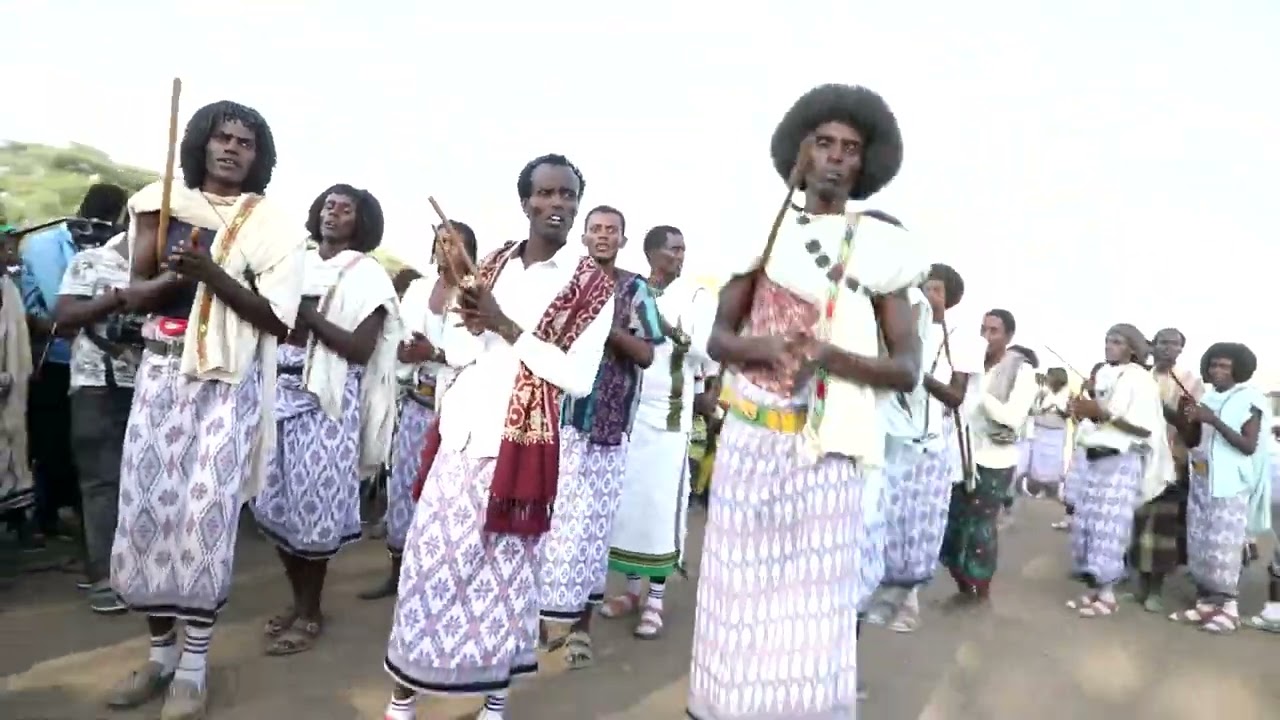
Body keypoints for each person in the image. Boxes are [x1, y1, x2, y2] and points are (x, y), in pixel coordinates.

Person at [688, 83, 927, 720]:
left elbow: (907, 368)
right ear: (799, 152)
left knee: (811, 609)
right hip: (750, 442)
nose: (836, 158)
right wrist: (759, 347)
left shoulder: (880, 249)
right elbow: (716, 339)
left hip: (828, 451)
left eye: (850, 148)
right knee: (740, 596)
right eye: (824, 143)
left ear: (865, 163)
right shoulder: (760, 236)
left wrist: (833, 357)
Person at [382, 154, 615, 720]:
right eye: (546, 194)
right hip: (460, 436)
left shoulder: (592, 287)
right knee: (426, 568)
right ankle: (402, 702)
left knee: (506, 582)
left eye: (568, 195)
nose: (557, 204)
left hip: (518, 454)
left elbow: (578, 380)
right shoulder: (492, 263)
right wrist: (473, 326)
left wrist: (506, 323)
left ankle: (493, 704)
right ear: (526, 202)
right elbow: (462, 352)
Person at [107, 100, 304, 719]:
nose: (231, 148)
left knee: (202, 520)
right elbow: (137, 296)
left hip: (226, 387)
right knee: (146, 513)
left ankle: (194, 665)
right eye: (221, 137)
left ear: (258, 155)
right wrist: (162, 261)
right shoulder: (157, 201)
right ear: (200, 142)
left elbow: (278, 319)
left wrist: (213, 273)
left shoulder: (273, 225)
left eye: (245, 142)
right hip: (161, 375)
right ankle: (160, 655)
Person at [253, 184, 400, 654]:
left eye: (347, 209)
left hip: (326, 406)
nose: (334, 213)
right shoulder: (294, 261)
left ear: (362, 222)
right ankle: (299, 602)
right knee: (273, 503)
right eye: (329, 205)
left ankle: (311, 612)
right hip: (275, 394)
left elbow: (360, 348)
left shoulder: (367, 275)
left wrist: (308, 317)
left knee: (311, 514)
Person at [539, 205, 662, 667]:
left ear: (623, 241)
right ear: (583, 237)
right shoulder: (565, 280)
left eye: (612, 231)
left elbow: (646, 354)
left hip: (608, 431)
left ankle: (580, 632)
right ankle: (540, 619)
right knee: (549, 525)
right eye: (596, 229)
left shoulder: (636, 290)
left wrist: (603, 327)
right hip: (559, 421)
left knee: (592, 532)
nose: (604, 236)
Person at [601, 224, 718, 641]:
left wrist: (669, 330)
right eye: (672, 250)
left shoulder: (697, 298)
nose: (680, 257)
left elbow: (705, 354)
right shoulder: (633, 291)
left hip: (670, 418)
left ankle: (655, 600)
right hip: (630, 413)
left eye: (683, 249)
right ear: (651, 254)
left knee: (660, 509)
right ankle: (631, 592)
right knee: (629, 508)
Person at [360, 222, 478, 601]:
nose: (446, 248)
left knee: (448, 495)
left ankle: (442, 580)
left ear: (468, 249)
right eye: (440, 241)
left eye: (454, 242)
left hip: (456, 409)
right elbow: (397, 334)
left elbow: (478, 353)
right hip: (415, 402)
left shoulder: (477, 296)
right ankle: (397, 574)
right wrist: (403, 352)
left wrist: (437, 354)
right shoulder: (418, 288)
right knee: (403, 487)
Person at [867, 262, 978, 632]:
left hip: (926, 445)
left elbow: (955, 397)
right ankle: (876, 597)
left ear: (951, 300)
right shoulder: (897, 330)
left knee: (914, 528)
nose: (926, 296)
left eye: (936, 290)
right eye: (923, 287)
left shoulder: (961, 340)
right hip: (885, 438)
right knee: (880, 520)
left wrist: (916, 372)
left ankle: (907, 603)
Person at [21, 183, 128, 543]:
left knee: (81, 443)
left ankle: (78, 518)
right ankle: (46, 516)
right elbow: (60, 305)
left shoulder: (111, 247)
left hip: (94, 363)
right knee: (51, 439)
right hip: (52, 358)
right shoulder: (44, 246)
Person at [53, 227, 139, 614]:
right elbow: (66, 315)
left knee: (136, 481)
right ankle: (103, 577)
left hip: (149, 385)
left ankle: (127, 569)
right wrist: (119, 298)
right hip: (96, 384)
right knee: (102, 481)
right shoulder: (92, 261)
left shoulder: (169, 266)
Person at [1064, 323, 1167, 618]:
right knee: (1090, 524)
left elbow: (1141, 426)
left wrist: (1100, 412)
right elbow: (1099, 421)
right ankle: (1096, 591)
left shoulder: (1141, 380)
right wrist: (1084, 412)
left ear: (1133, 349)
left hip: (1121, 462)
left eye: (1118, 342)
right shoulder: (1107, 374)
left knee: (1110, 527)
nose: (1109, 346)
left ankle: (1108, 596)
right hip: (1095, 459)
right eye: (1108, 340)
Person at [938, 310, 1038, 604]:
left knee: (981, 527)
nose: (986, 336)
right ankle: (961, 584)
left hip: (994, 459)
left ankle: (980, 590)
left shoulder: (1021, 371)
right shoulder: (968, 364)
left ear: (1008, 337)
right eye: (983, 329)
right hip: (960, 456)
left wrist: (979, 388)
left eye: (994, 331)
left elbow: (1012, 417)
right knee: (954, 524)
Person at [1171, 341, 1271, 633]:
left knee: (1223, 548)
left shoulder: (1249, 399)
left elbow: (1248, 445)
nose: (1217, 371)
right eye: (1213, 365)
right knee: (1200, 543)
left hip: (1229, 486)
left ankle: (1229, 609)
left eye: (1224, 366)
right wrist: (1184, 418)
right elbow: (1192, 441)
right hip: (1202, 480)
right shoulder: (1208, 398)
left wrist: (1212, 420)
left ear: (1238, 369)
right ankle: (1206, 603)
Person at [1126, 327, 1203, 611]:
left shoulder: (1190, 382)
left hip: (1172, 462)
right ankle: (1140, 588)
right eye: (1163, 343)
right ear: (1152, 345)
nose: (1168, 348)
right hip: (1138, 460)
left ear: (1182, 349)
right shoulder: (1140, 377)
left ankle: (1156, 591)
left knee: (1163, 529)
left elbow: (1190, 425)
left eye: (1175, 344)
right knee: (1138, 525)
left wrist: (1159, 405)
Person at [0, 230, 33, 519]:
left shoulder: (7, 286)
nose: (11, 257)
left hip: (10, 386)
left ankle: (18, 518)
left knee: (13, 447)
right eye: (5, 250)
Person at [1023, 367, 1071, 496]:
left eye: (1050, 376)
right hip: (1041, 430)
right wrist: (1044, 407)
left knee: (1054, 461)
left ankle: (1052, 490)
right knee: (1038, 460)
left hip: (1057, 433)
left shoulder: (1067, 394)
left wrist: (1059, 407)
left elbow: (1069, 413)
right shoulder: (1042, 392)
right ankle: (1035, 488)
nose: (1047, 377)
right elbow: (1032, 410)